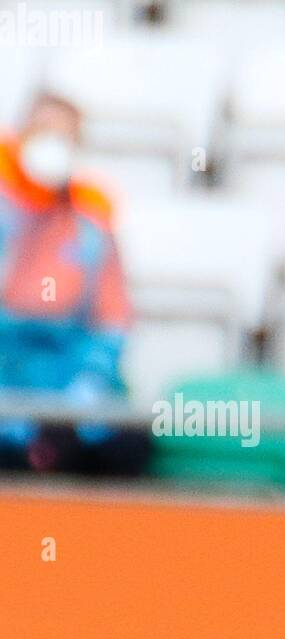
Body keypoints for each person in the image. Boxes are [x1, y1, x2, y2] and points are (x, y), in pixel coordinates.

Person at [0, 92, 146, 476]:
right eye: (44, 132)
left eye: (65, 139)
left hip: (71, 405)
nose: (52, 147)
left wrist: (75, 408)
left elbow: (111, 325)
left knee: (127, 447)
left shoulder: (91, 226)